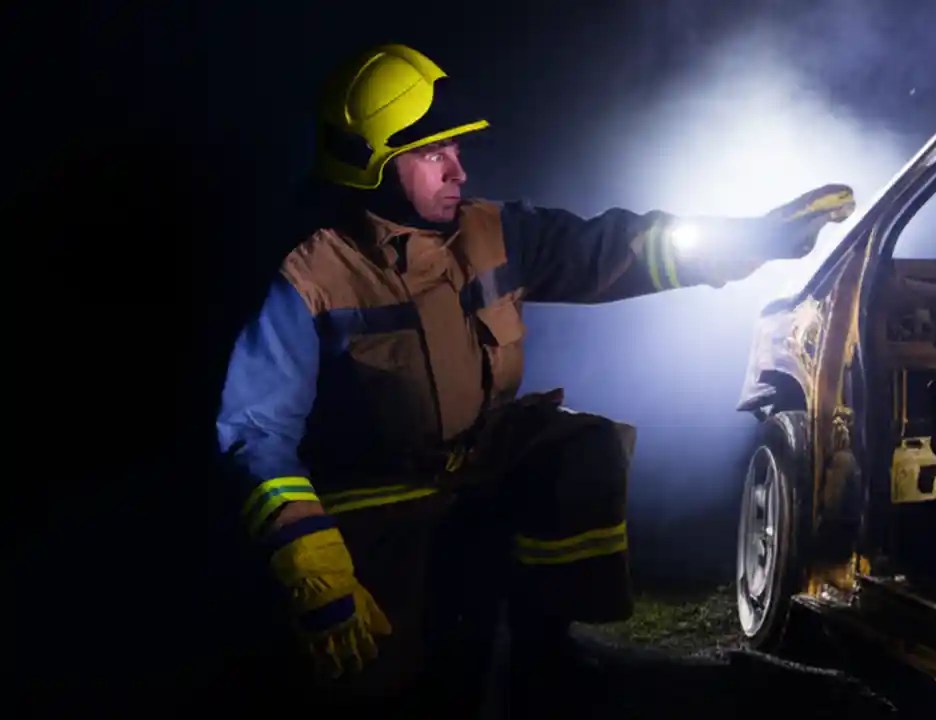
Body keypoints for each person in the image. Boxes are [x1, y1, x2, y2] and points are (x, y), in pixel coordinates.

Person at [213, 42, 855, 716]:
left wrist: (752, 239)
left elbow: (616, 249)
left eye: (457, 149)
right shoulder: (308, 272)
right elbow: (254, 433)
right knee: (386, 680)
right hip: (380, 504)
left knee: (581, 448)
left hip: (477, 470)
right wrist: (313, 567)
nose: (459, 168)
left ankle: (546, 641)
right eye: (434, 153)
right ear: (372, 163)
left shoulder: (491, 232)